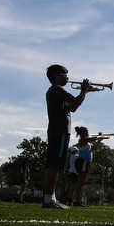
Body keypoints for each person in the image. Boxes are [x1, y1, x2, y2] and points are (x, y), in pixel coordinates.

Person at [44, 64, 89, 210]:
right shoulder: (57, 89)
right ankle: (49, 199)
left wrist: (84, 92)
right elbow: (76, 101)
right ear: (56, 76)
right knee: (55, 165)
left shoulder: (57, 92)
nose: (68, 79)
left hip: (58, 130)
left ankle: (51, 198)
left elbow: (74, 107)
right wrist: (83, 90)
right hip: (60, 130)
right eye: (64, 76)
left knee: (55, 164)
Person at [68, 126, 92, 206]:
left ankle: (79, 200)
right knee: (80, 182)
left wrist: (99, 140)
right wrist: (99, 136)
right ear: (82, 134)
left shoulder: (86, 142)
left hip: (86, 161)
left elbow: (93, 147)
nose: (87, 134)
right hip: (83, 161)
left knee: (82, 182)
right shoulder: (82, 140)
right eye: (86, 132)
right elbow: (93, 138)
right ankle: (77, 201)